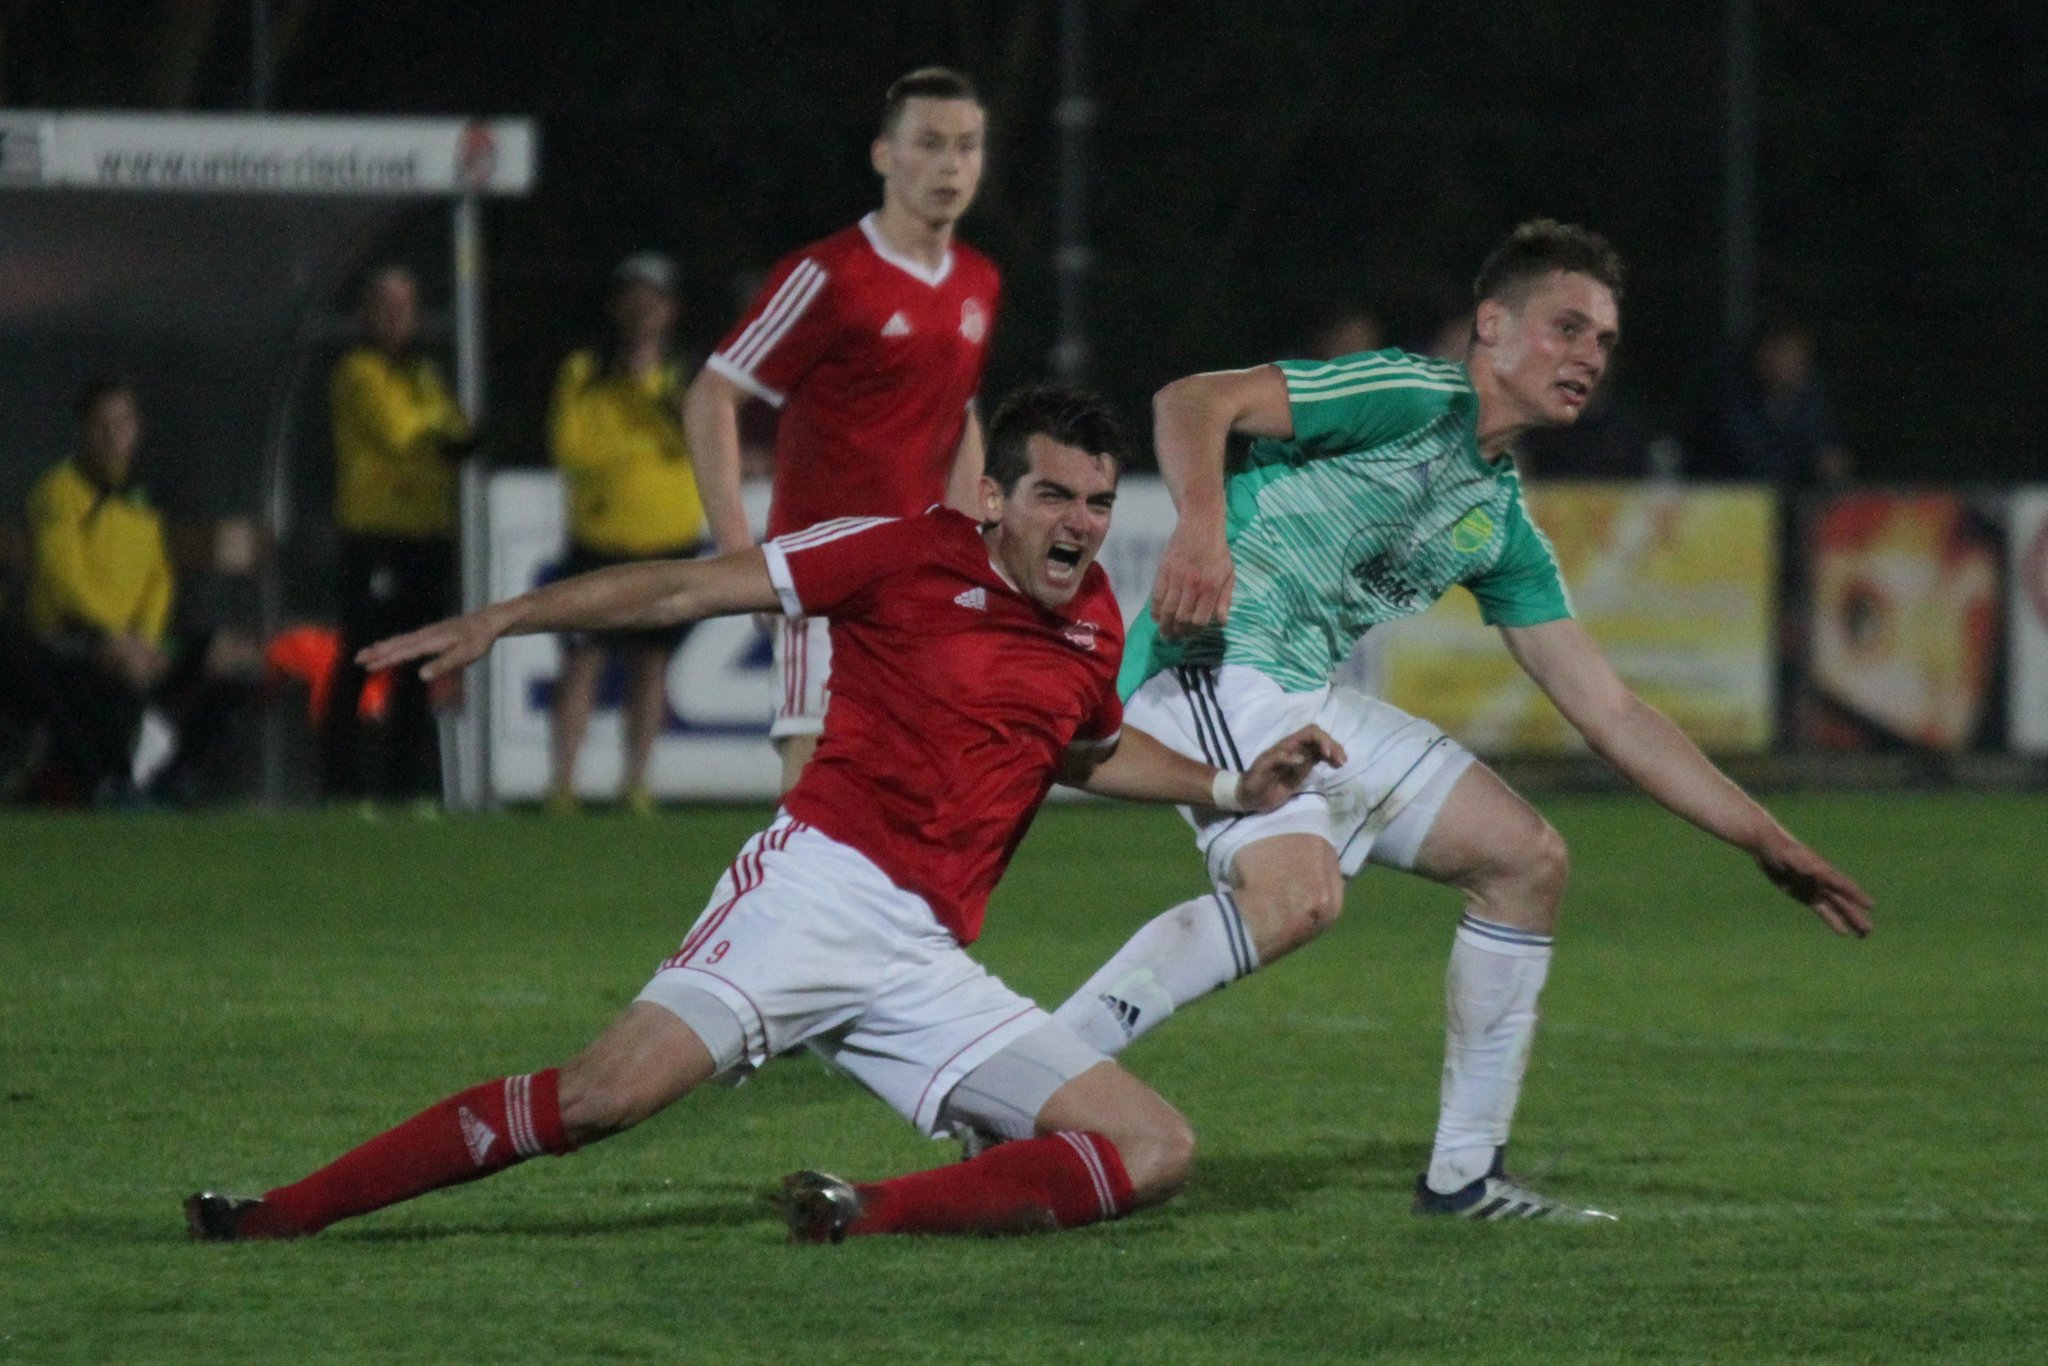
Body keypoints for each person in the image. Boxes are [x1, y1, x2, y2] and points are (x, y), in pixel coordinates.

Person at [183, 386, 1344, 1244]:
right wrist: (503, 619)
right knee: (602, 1096)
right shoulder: (899, 554)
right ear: (993, 496)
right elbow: (687, 584)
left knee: (1155, 1146)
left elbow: (1085, 749)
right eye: (1054, 494)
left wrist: (1228, 787)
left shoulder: (1090, 615)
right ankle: (282, 1212)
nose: (1081, 523)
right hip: (813, 889)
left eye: (1097, 501)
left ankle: (856, 1210)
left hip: (925, 960)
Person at [1042, 220, 1875, 1221]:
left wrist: (1762, 836)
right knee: (1298, 895)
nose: (1587, 356)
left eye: (1603, 342)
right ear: (1492, 324)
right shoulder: (1409, 393)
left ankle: (1464, 1177)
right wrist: (1201, 531)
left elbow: (1609, 709)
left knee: (1524, 860)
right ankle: (1032, 1075)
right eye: (1566, 327)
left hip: (1296, 688)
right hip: (1206, 666)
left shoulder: (1496, 516)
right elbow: (1193, 399)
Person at [684, 66, 999, 793]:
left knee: (925, 799)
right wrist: (741, 563)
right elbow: (711, 398)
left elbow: (960, 417)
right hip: (821, 579)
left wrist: (971, 553)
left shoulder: (979, 281)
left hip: (920, 583)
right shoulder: (830, 275)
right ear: (885, 156)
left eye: (967, 146)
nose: (951, 165)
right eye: (929, 144)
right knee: (817, 795)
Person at [22, 377, 261, 802]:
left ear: (137, 428)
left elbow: (159, 576)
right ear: (84, 431)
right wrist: (117, 635)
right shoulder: (59, 492)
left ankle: (172, 778)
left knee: (240, 662)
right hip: (72, 638)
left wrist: (147, 638)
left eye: (124, 424)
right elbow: (64, 579)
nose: (115, 437)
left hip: (136, 639)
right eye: (103, 426)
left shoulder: (141, 497)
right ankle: (117, 780)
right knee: (126, 670)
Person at [546, 252, 706, 815]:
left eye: (654, 301)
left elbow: (704, 441)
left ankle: (635, 783)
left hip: (667, 538)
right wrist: (643, 430)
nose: (643, 312)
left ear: (670, 312)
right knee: (582, 662)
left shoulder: (689, 376)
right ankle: (561, 786)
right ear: (617, 308)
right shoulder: (585, 372)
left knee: (651, 665)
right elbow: (571, 447)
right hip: (600, 537)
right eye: (633, 299)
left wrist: (638, 428)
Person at [322, 265, 475, 802]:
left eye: (405, 305)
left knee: (419, 660)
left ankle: (404, 789)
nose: (395, 315)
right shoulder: (357, 370)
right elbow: (404, 432)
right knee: (363, 654)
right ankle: (341, 786)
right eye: (384, 304)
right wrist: (450, 432)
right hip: (374, 533)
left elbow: (455, 427)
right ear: (365, 312)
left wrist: (453, 431)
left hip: (425, 534)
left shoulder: (422, 374)